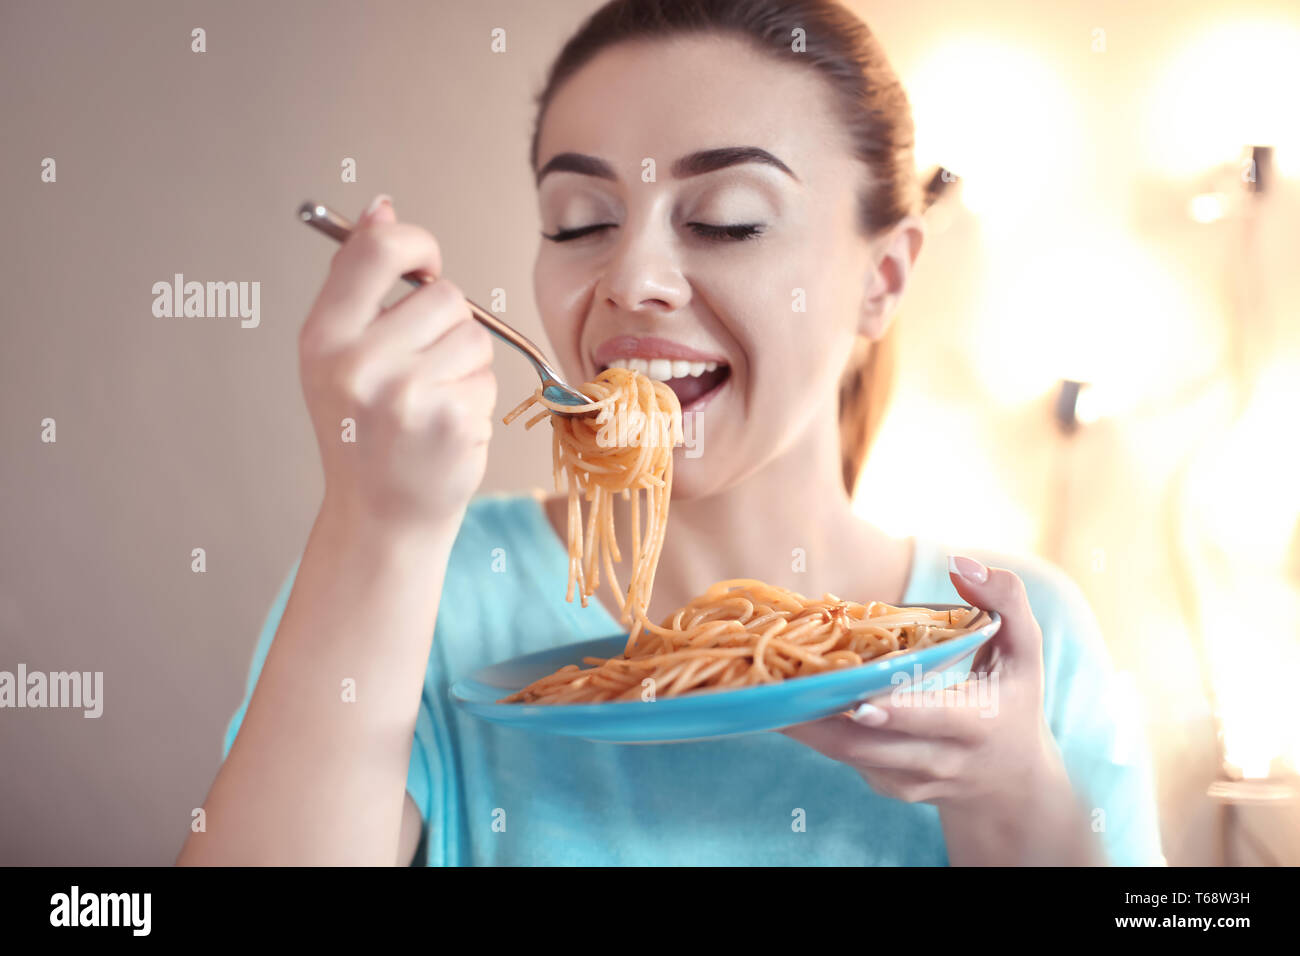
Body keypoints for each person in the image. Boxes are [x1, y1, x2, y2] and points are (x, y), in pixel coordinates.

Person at [179, 0, 1164, 866]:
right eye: (577, 221)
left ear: (883, 279)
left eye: (729, 220)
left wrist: (1019, 805)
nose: (631, 277)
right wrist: (376, 523)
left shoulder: (1011, 636)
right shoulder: (429, 589)